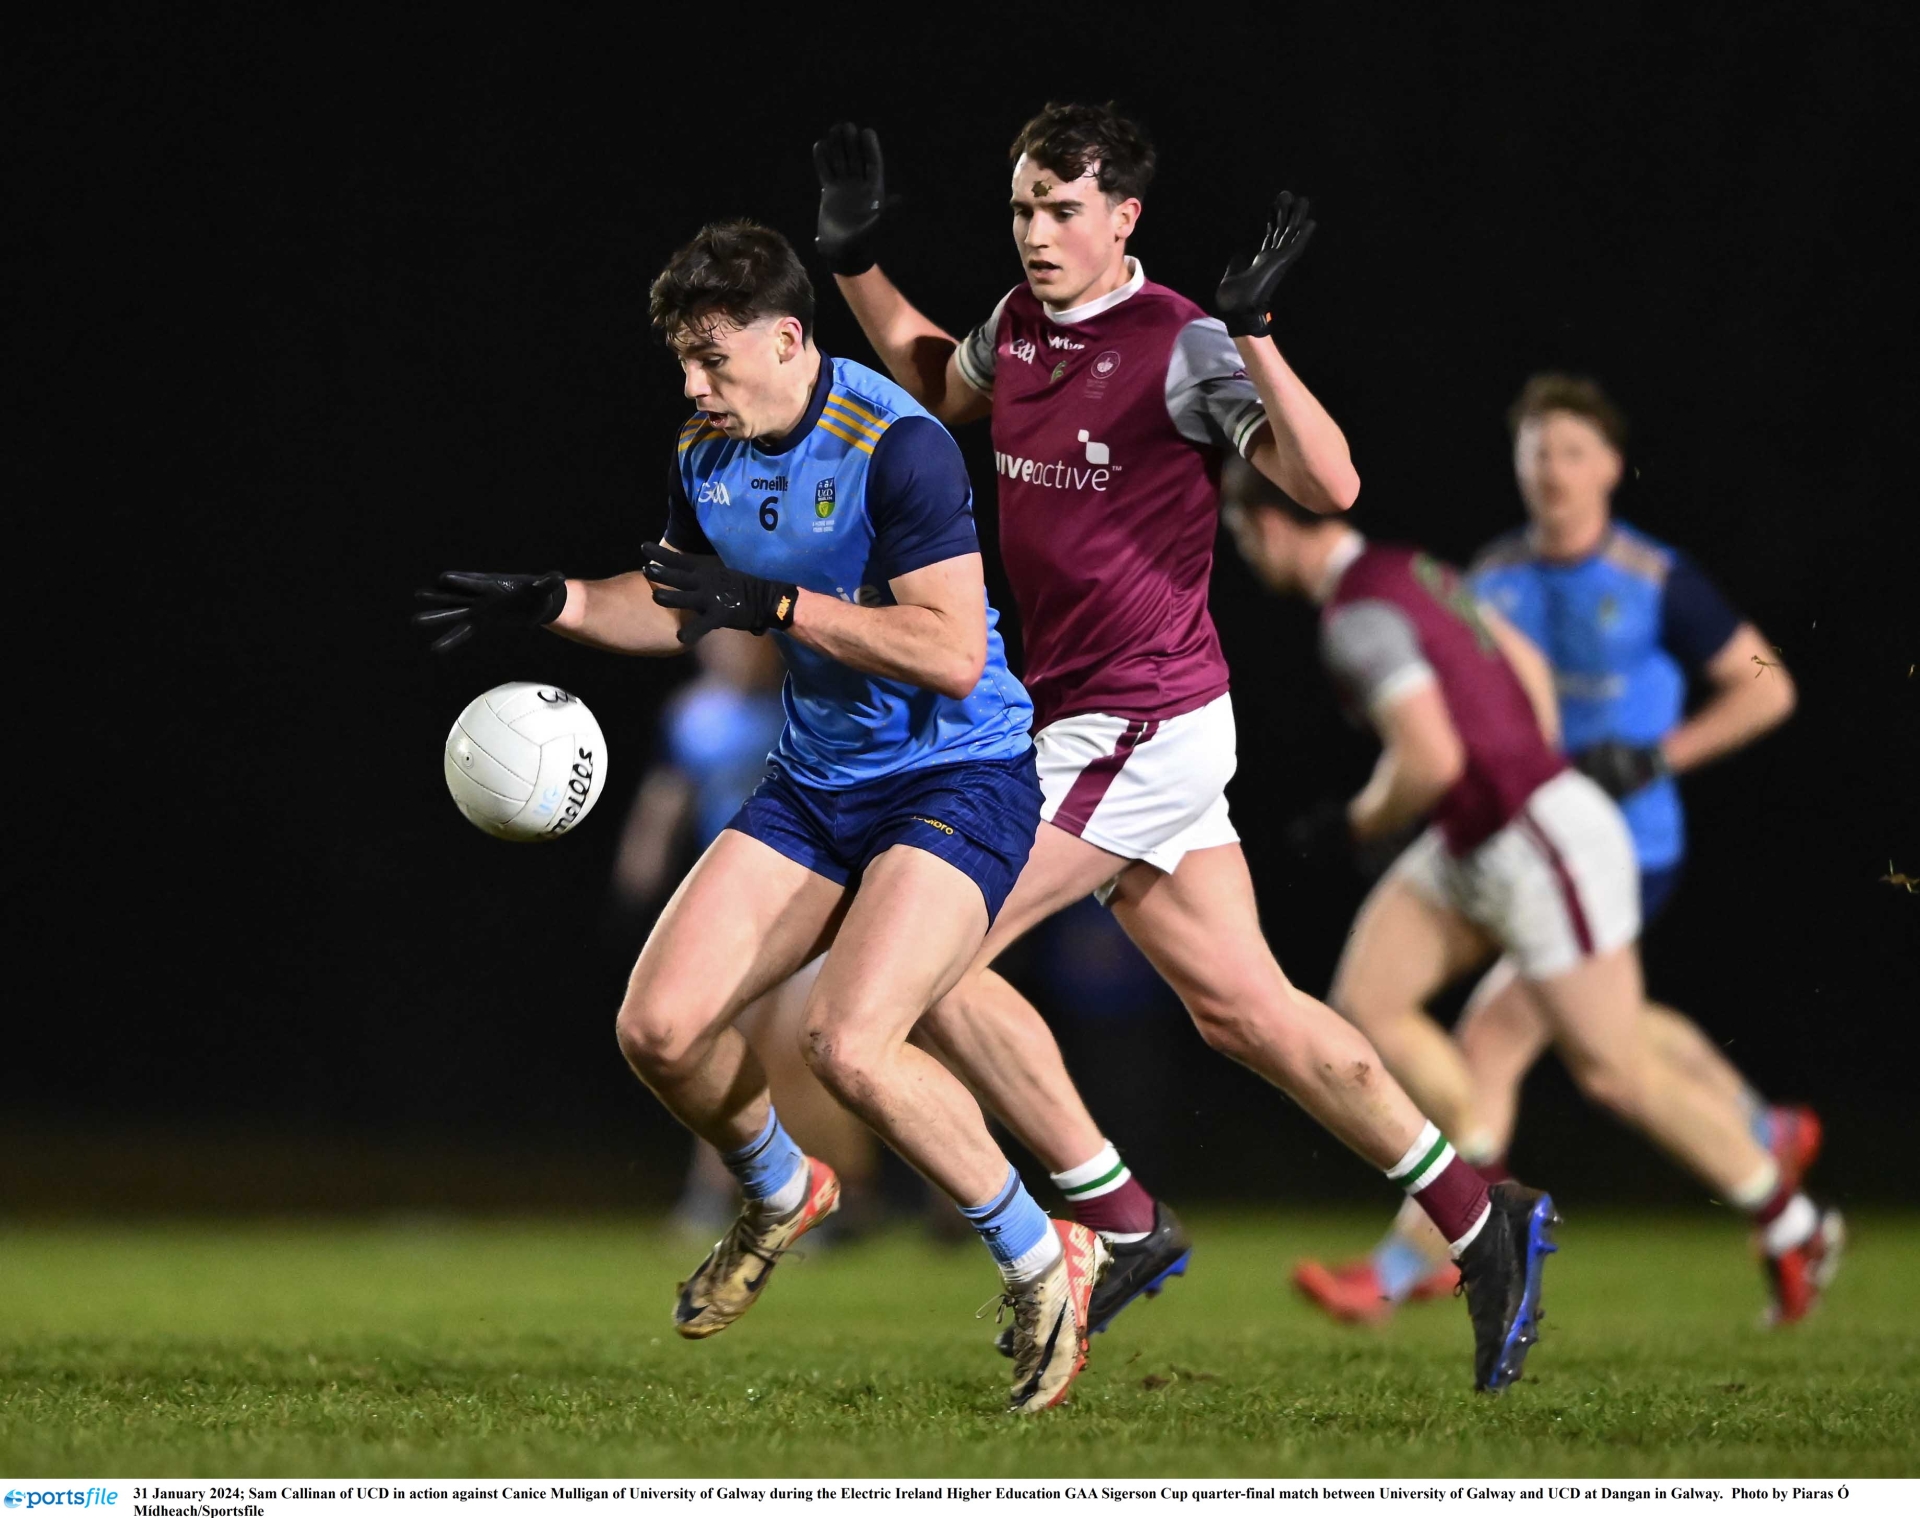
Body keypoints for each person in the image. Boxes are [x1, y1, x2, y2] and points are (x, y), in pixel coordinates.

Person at [817, 102, 1555, 1392]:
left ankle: (1113, 1216)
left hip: (1138, 723)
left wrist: (1259, 336)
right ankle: (1486, 1226)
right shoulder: (1023, 321)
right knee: (1250, 1014)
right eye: (1022, 209)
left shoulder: (1179, 344)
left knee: (918, 962)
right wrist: (854, 261)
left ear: (1124, 219)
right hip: (1089, 722)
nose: (1038, 233)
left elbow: (1331, 487)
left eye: (1062, 210)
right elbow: (940, 388)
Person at [415, 219, 1108, 1414]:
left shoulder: (900, 445)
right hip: (819, 782)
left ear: (790, 339)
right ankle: (785, 1189)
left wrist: (779, 603)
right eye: (682, 360)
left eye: (711, 357)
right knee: (660, 1029)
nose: (692, 384)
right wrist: (556, 602)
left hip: (957, 776)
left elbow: (949, 652)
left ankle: (1047, 1256)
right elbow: (680, 604)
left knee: (849, 1040)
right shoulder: (707, 447)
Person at [1220, 475, 1843, 1328]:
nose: (1245, 555)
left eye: (1241, 534)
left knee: (1615, 1071)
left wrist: (1356, 821)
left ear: (1266, 523)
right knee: (1368, 1004)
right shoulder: (1412, 568)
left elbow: (1431, 759)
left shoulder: (1356, 615)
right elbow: (1527, 663)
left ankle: (1791, 1221)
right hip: (1481, 836)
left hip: (1537, 843)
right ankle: (1477, 1197)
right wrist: (1514, 756)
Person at [610, 631, 881, 1241]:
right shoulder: (694, 714)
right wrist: (642, 856)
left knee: (804, 1048)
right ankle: (720, 1189)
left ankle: (850, 1193)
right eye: (718, 643)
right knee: (710, 1039)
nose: (730, 653)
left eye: (741, 642)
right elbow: (670, 790)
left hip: (816, 893)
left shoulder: (804, 704)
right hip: (733, 903)